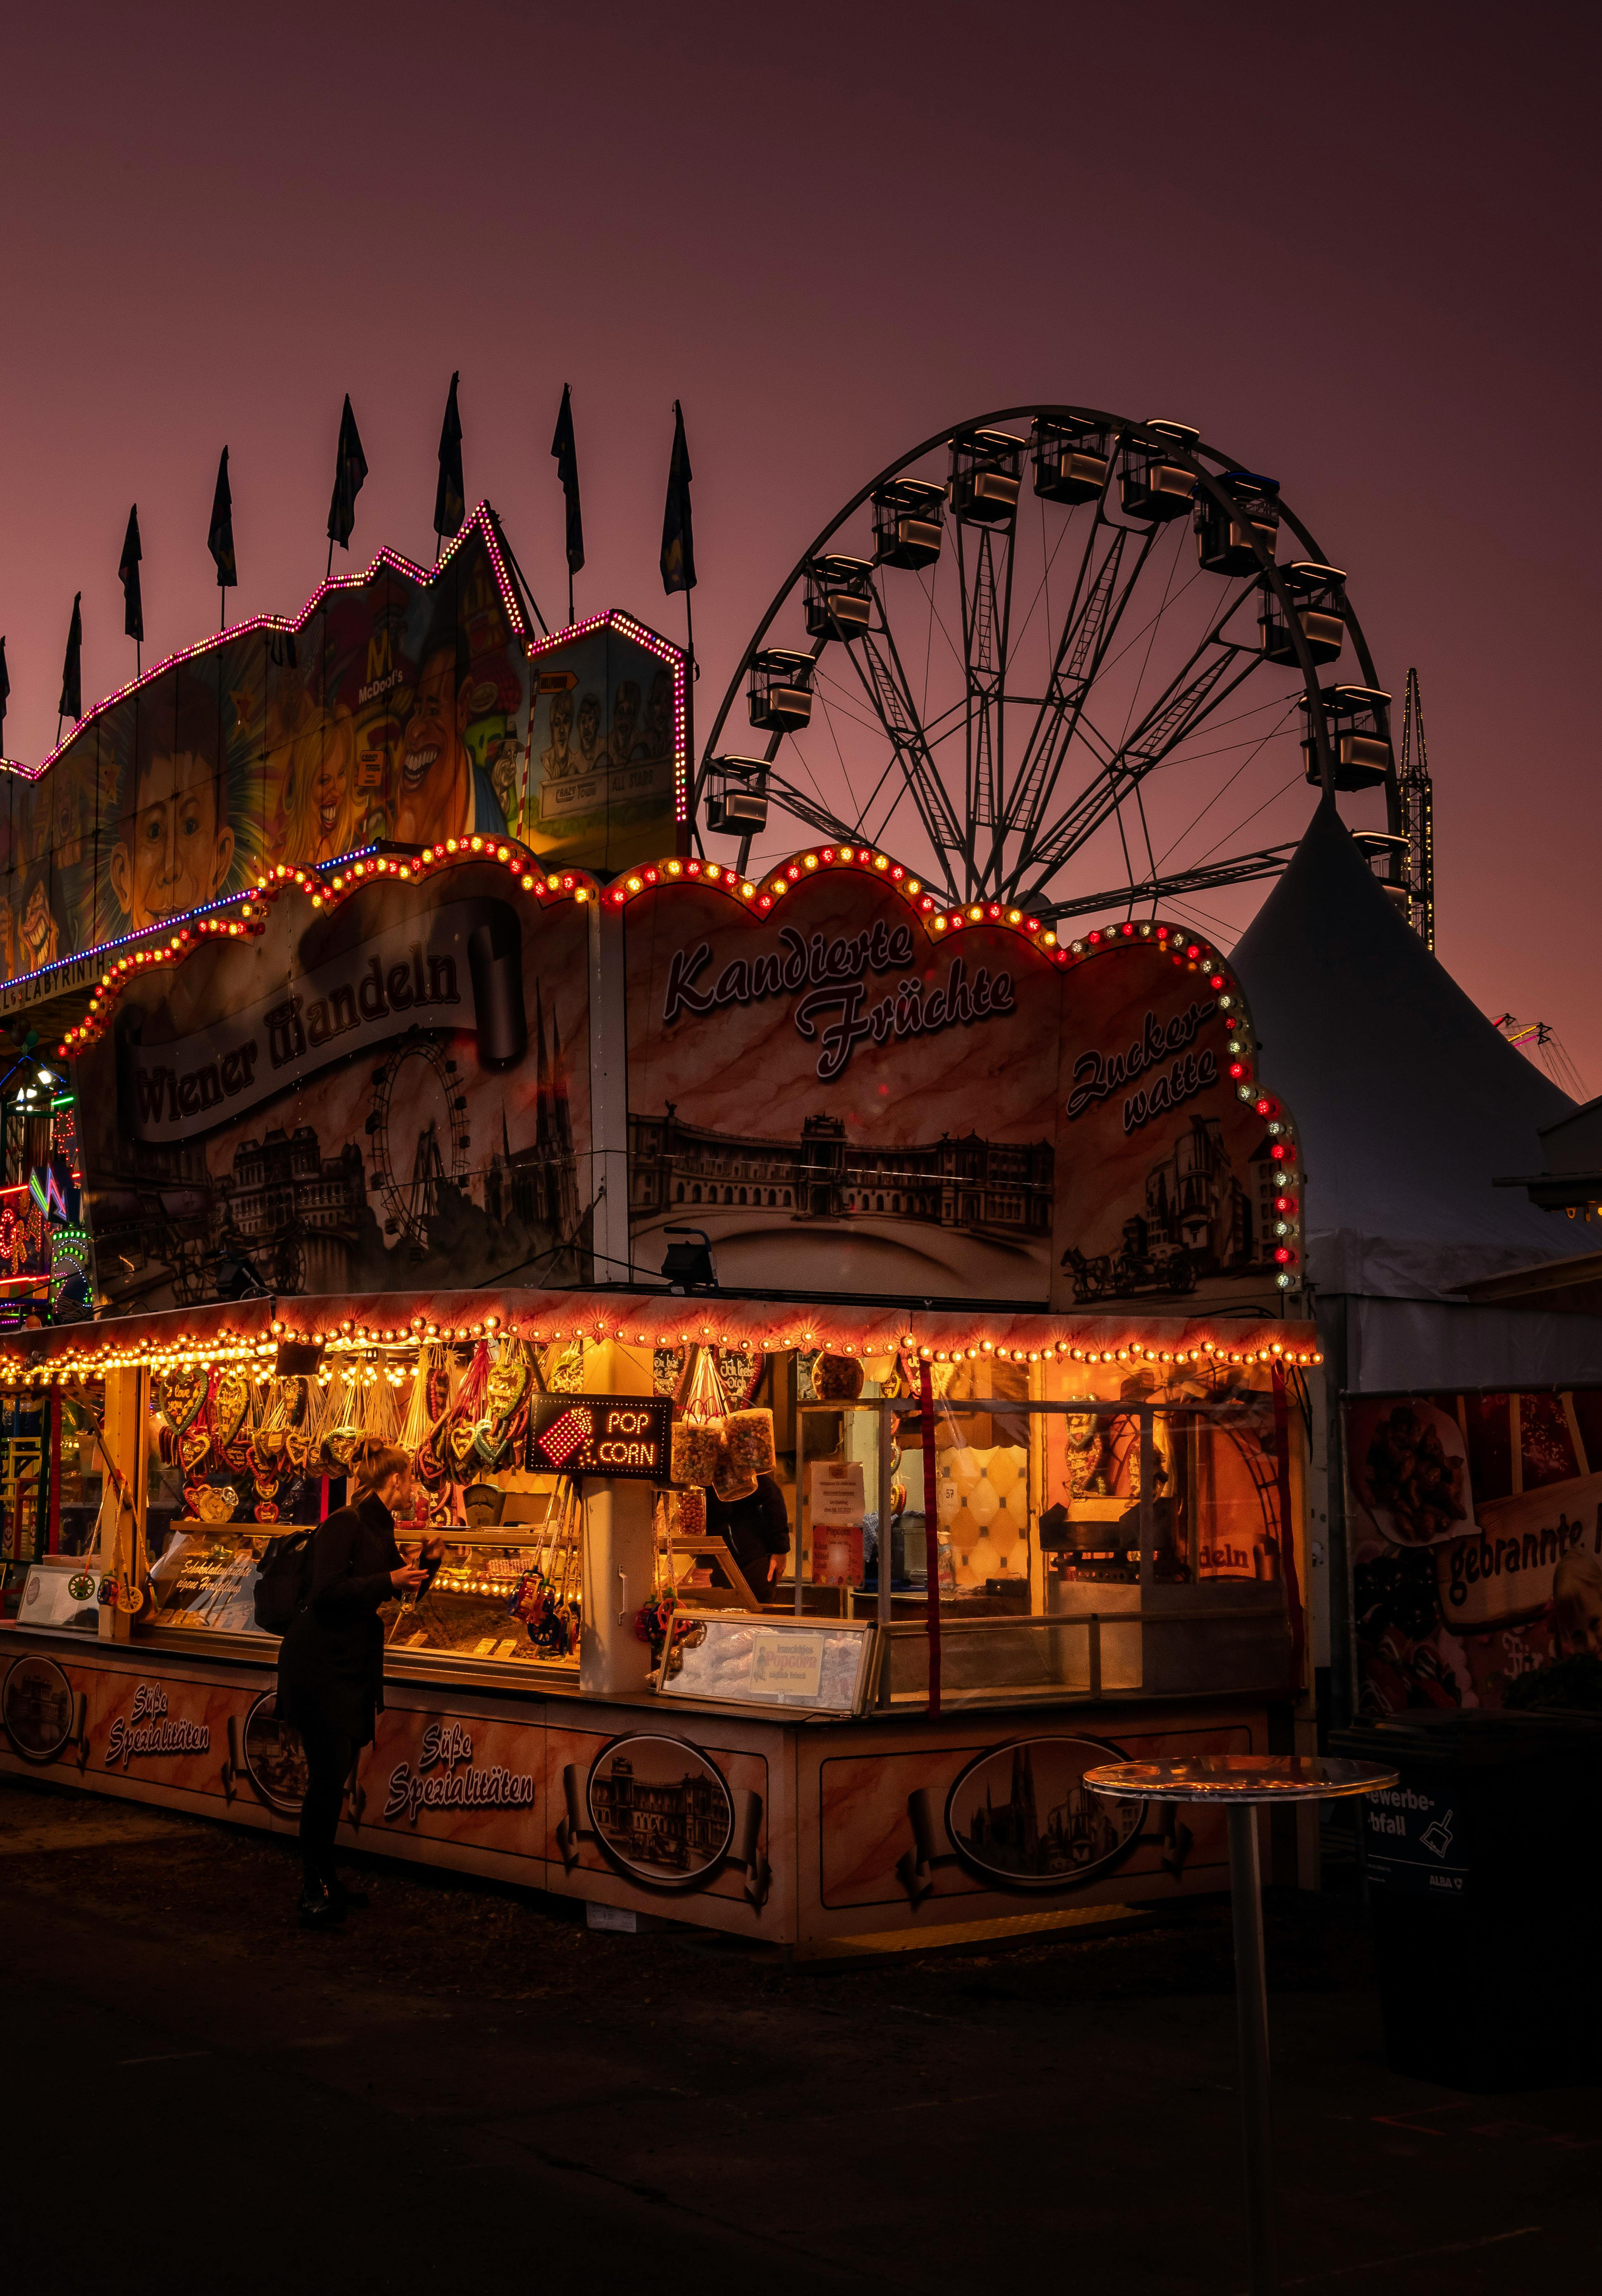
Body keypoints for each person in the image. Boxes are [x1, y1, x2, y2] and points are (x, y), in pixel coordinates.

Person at [276, 1440, 442, 1926]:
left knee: (335, 1776)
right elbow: (327, 1592)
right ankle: (313, 1886)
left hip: (349, 1662)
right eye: (411, 1479)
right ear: (395, 1481)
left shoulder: (378, 1525)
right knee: (327, 1780)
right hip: (320, 1663)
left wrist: (427, 1565)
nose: (415, 1488)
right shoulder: (346, 1523)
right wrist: (390, 1579)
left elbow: (393, 1591)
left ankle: (326, 1877)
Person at [704, 1472, 791, 1604]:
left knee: (755, 1619)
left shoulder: (732, 1469)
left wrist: (780, 1550)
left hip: (750, 1564)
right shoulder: (687, 1471)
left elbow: (772, 1496)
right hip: (709, 1565)